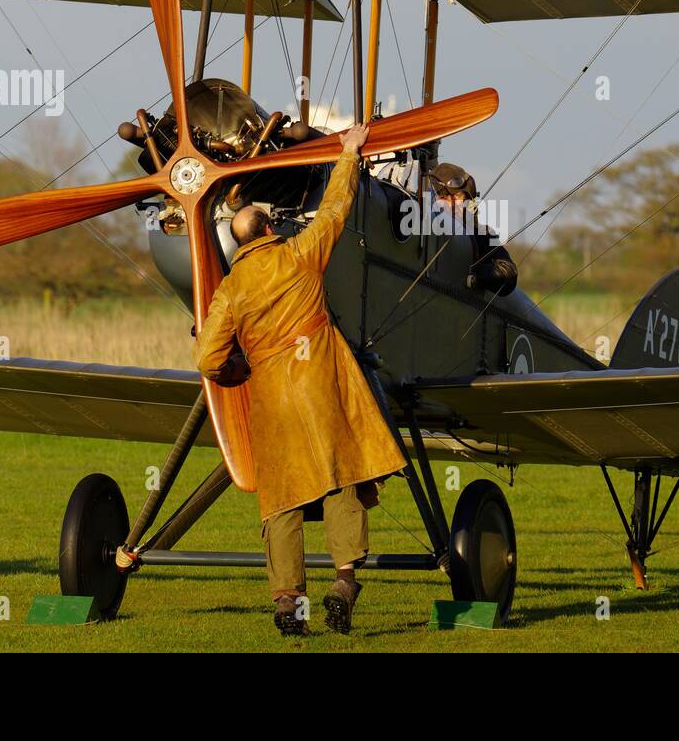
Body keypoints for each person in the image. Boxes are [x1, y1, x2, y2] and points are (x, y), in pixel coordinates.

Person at [194, 124, 407, 637]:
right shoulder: (297, 256)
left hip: (271, 398)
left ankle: (289, 602)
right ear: (269, 229)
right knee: (341, 478)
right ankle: (343, 582)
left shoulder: (231, 289)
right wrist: (348, 154)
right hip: (321, 387)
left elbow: (207, 360)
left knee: (283, 499)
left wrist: (239, 370)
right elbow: (335, 210)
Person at [425, 161, 518, 296]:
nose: (453, 204)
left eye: (458, 197)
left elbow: (507, 274)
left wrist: (473, 272)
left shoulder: (478, 233)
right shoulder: (420, 220)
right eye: (444, 198)